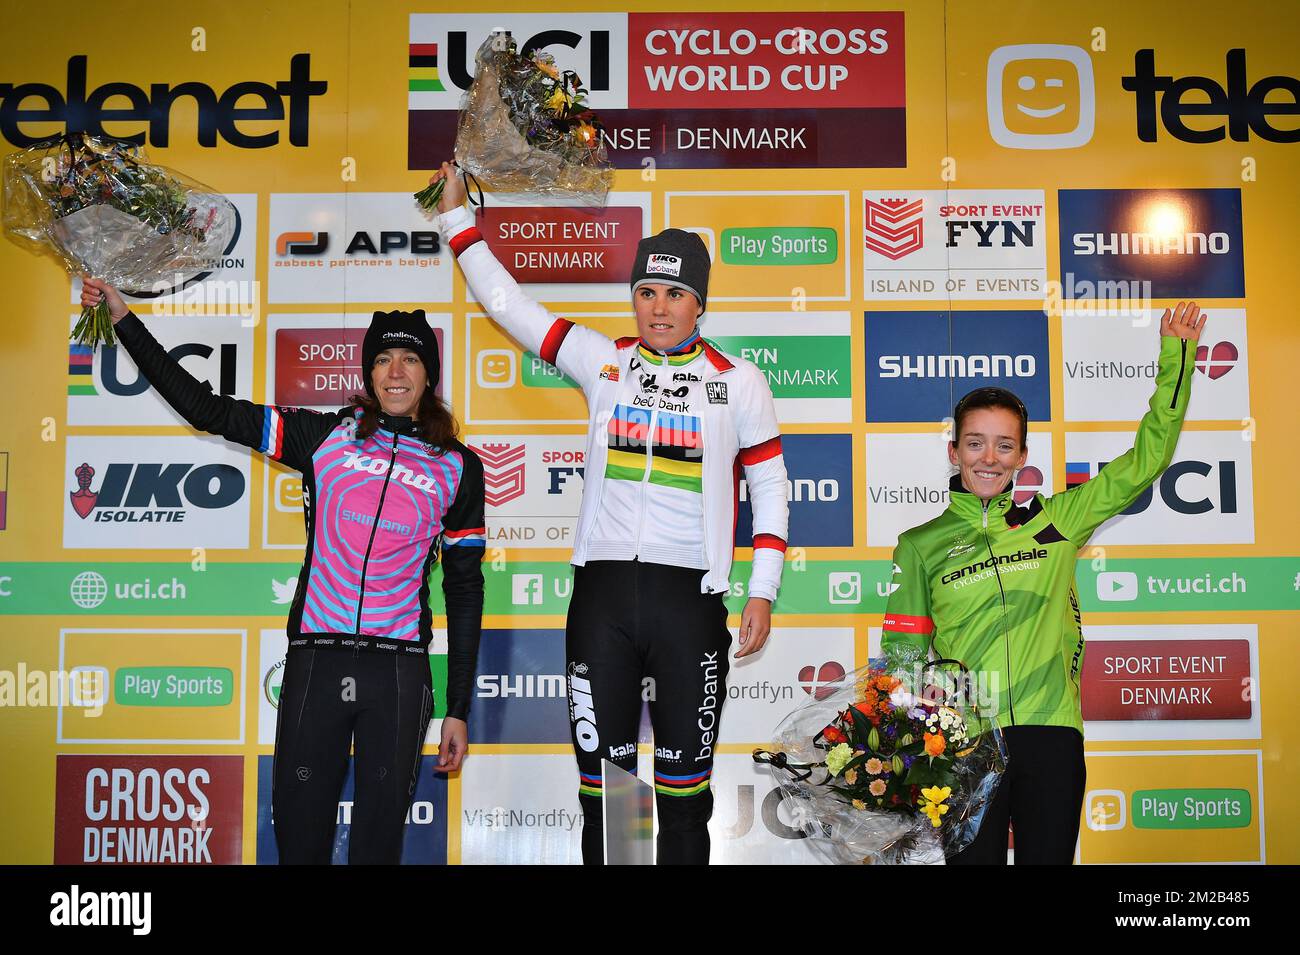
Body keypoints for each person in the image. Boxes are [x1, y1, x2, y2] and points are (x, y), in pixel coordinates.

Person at [430, 163, 789, 865]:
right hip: (601, 602)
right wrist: (456, 220)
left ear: (699, 304)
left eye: (676, 293)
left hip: (690, 602)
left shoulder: (738, 381)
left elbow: (770, 488)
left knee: (686, 798)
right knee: (611, 794)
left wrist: (764, 590)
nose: (659, 307)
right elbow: (510, 306)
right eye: (647, 291)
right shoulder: (603, 360)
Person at [79, 279, 485, 865]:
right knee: (299, 843)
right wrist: (123, 319)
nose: (396, 372)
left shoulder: (459, 466)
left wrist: (459, 707)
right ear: (369, 374)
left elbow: (465, 589)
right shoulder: (323, 437)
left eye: (411, 358)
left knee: (377, 850)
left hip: (397, 675)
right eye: (383, 359)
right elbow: (206, 410)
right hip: (315, 663)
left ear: (429, 373)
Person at [881, 302, 1206, 865]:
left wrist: (1177, 354)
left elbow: (1147, 460)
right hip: (965, 741)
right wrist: (903, 745)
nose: (989, 457)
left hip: (1051, 733)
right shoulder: (920, 543)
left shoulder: (1057, 520)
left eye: (1004, 445)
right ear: (954, 451)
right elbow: (903, 655)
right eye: (975, 443)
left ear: (1023, 456)